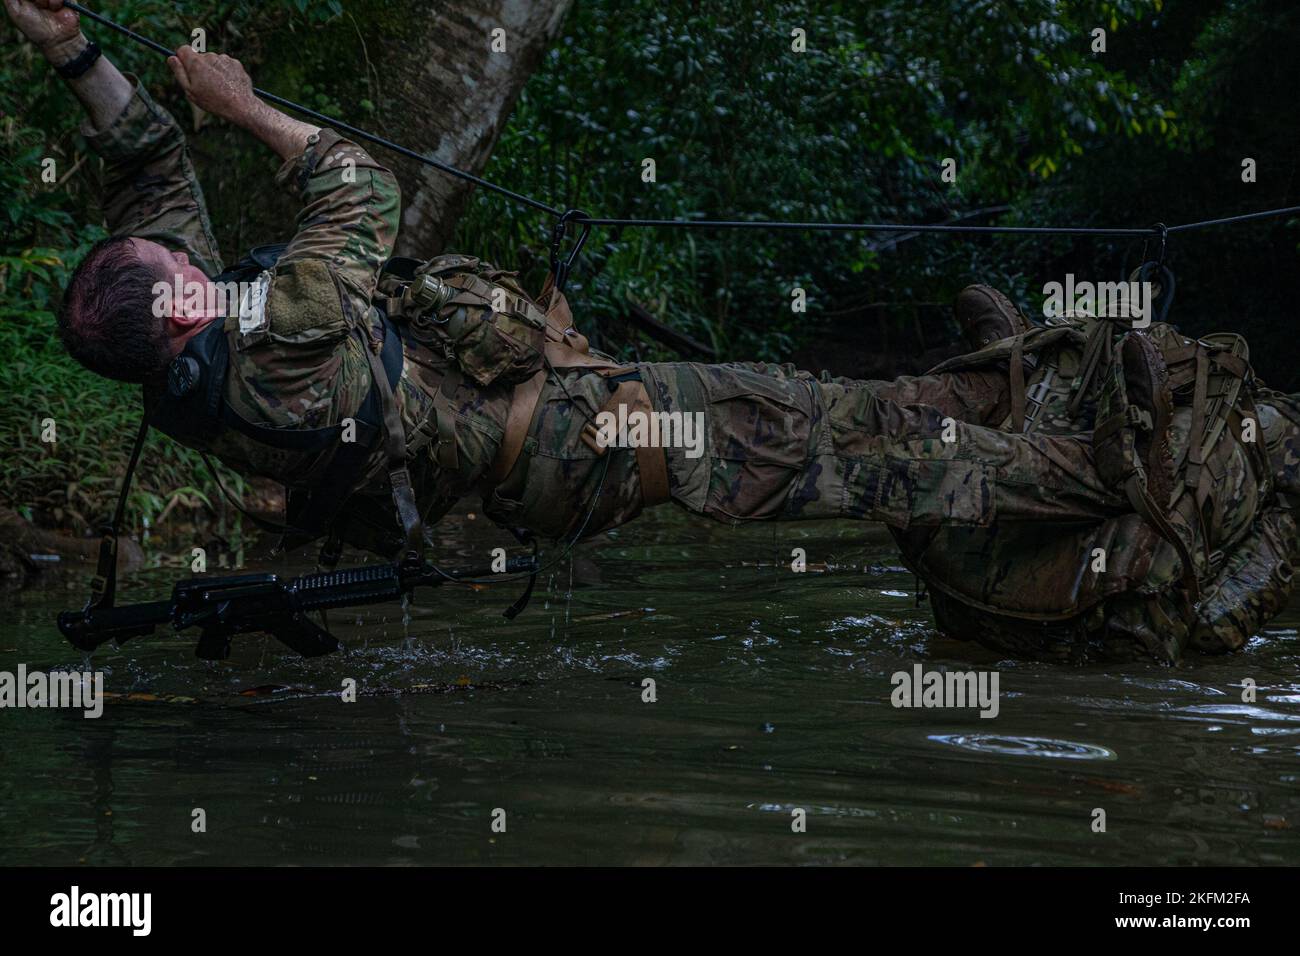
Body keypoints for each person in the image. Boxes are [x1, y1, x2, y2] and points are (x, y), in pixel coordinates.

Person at [10, 0, 1292, 662]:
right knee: (841, 437)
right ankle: (1090, 474)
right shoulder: (280, 329)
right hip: (597, 437)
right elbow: (360, 187)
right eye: (169, 263)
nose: (177, 248)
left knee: (841, 422)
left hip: (557, 442)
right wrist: (247, 108)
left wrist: (71, 50)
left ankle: (1002, 390)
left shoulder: (184, 364)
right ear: (179, 298)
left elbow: (144, 167)